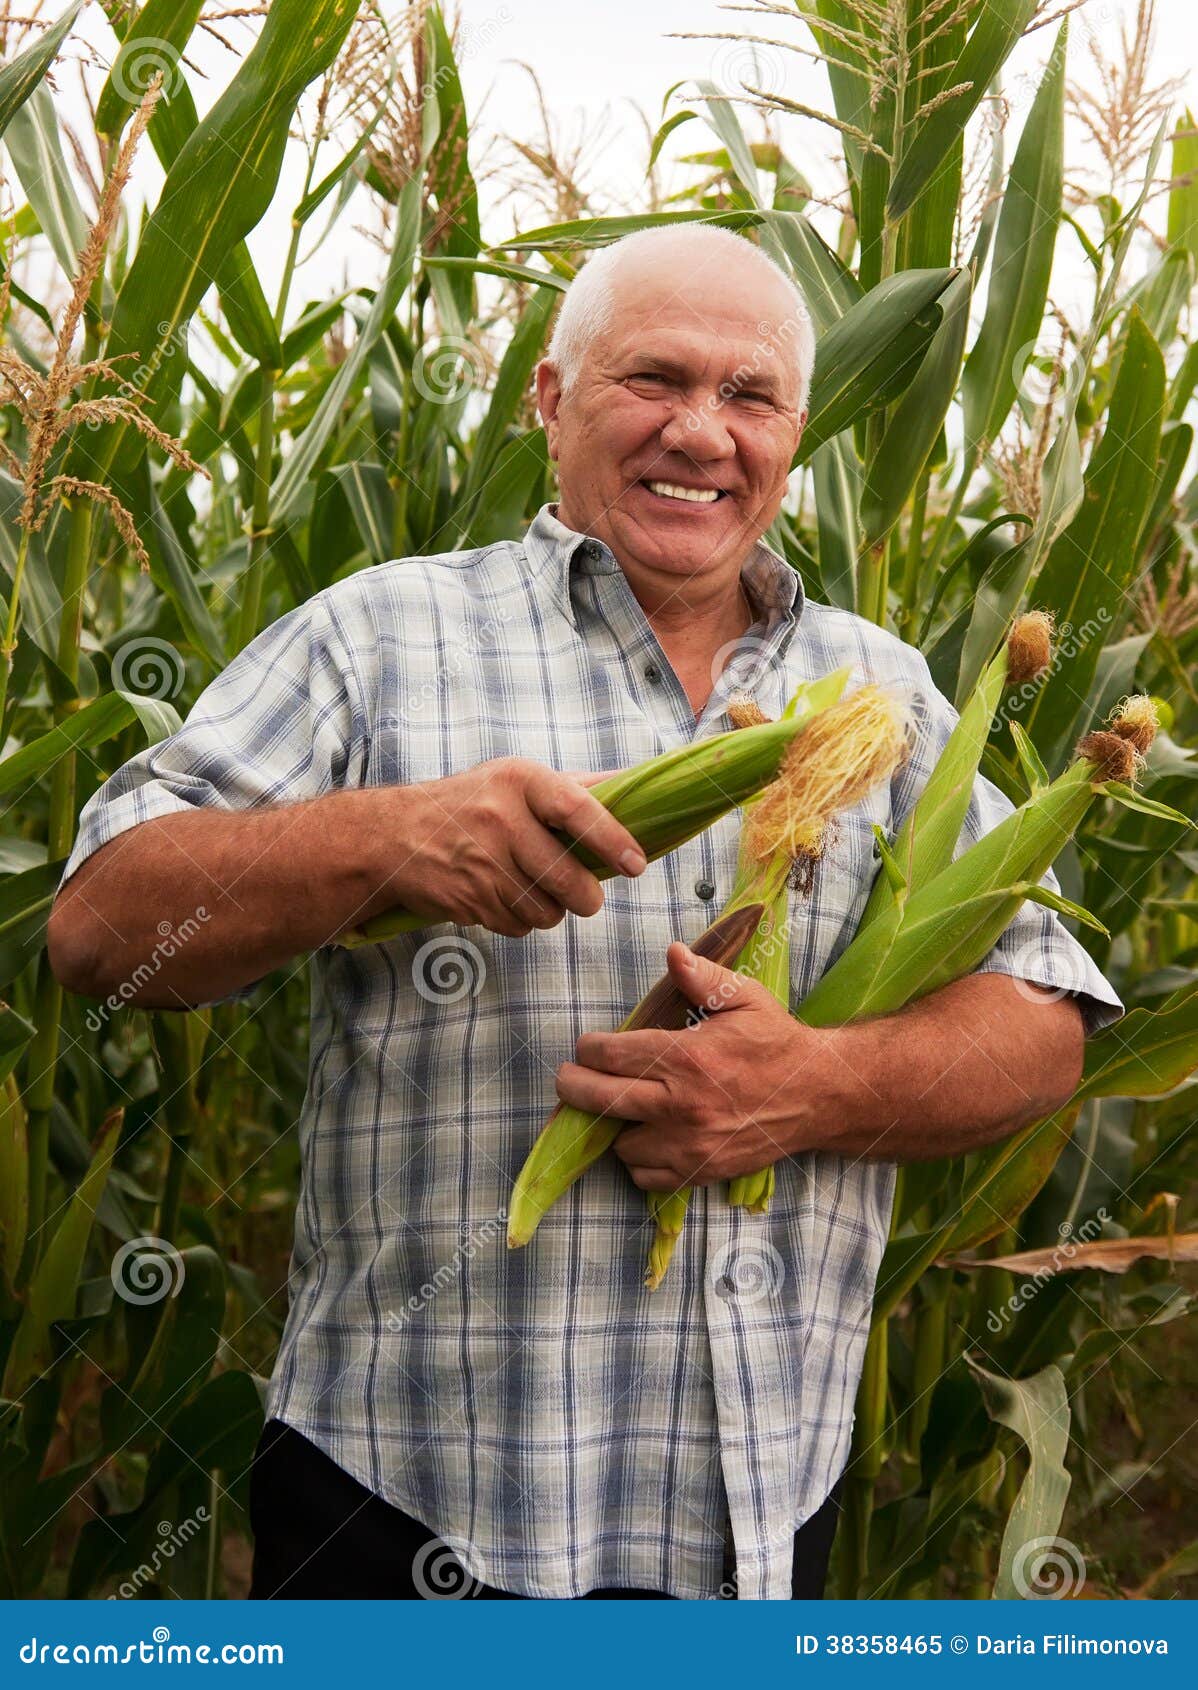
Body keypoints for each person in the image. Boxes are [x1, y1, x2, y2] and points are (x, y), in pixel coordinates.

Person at [48, 224, 1121, 1601]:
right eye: (651, 380)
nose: (700, 431)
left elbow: (1043, 1025)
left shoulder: (886, 693)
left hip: (755, 1523)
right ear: (547, 399)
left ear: (795, 434)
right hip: (402, 1502)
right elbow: (97, 933)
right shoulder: (377, 636)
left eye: (749, 398)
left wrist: (810, 1084)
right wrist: (390, 835)